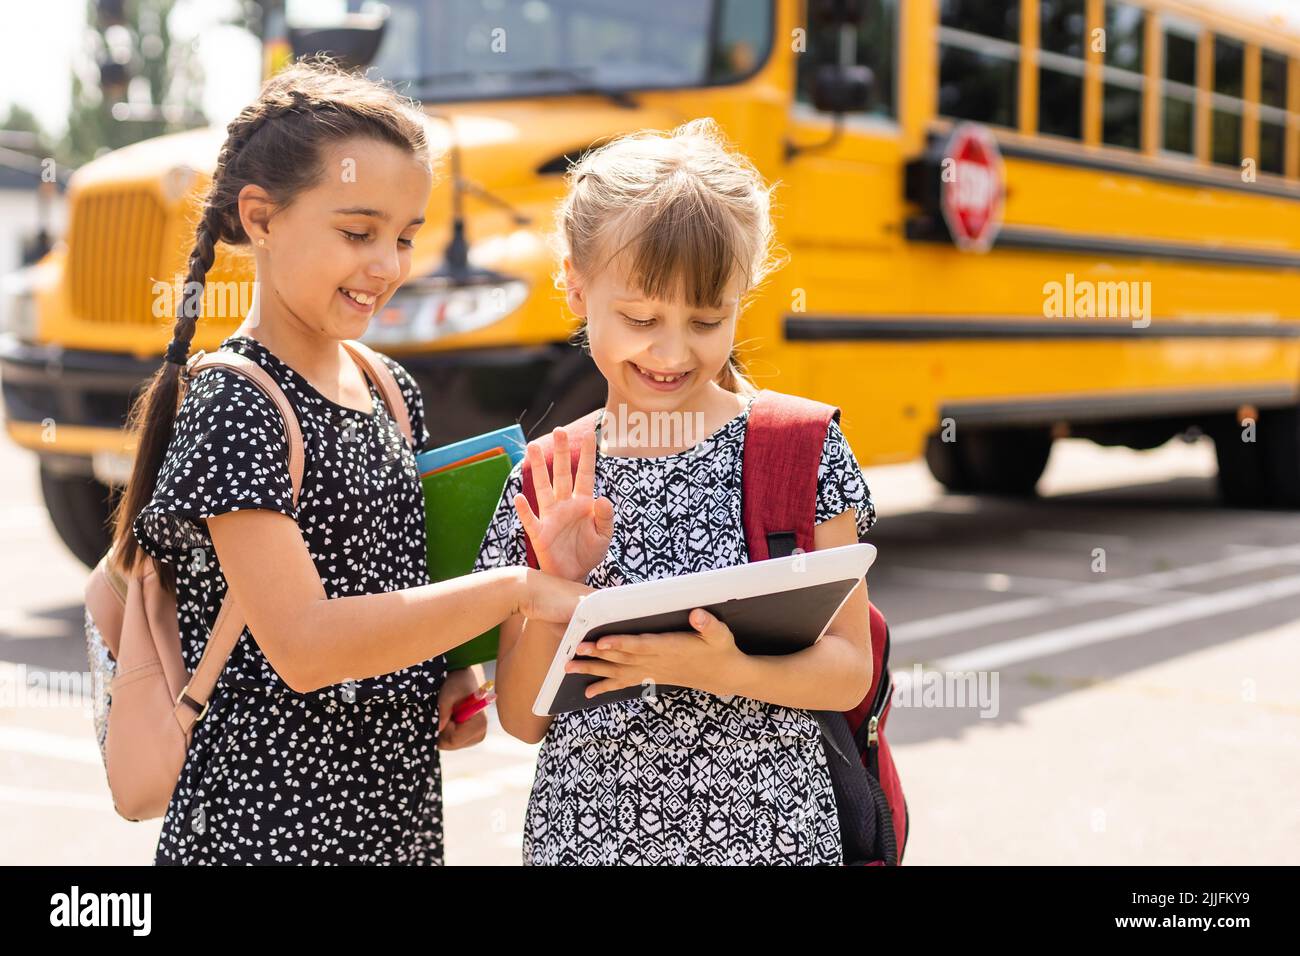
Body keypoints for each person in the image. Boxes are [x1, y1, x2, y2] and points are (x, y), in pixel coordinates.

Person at [109, 57, 588, 865]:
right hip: (263, 830)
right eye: (357, 233)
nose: (388, 266)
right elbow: (305, 646)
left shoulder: (391, 387)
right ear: (259, 218)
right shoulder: (237, 404)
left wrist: (448, 671)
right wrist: (511, 589)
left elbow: (391, 587)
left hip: (391, 819)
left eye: (404, 238)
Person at [474, 118, 878, 865]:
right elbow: (523, 720)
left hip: (772, 842)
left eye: (707, 319)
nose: (671, 351)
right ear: (575, 283)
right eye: (639, 318)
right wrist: (553, 581)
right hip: (588, 843)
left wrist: (722, 670)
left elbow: (851, 669)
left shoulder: (798, 447)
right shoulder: (545, 472)